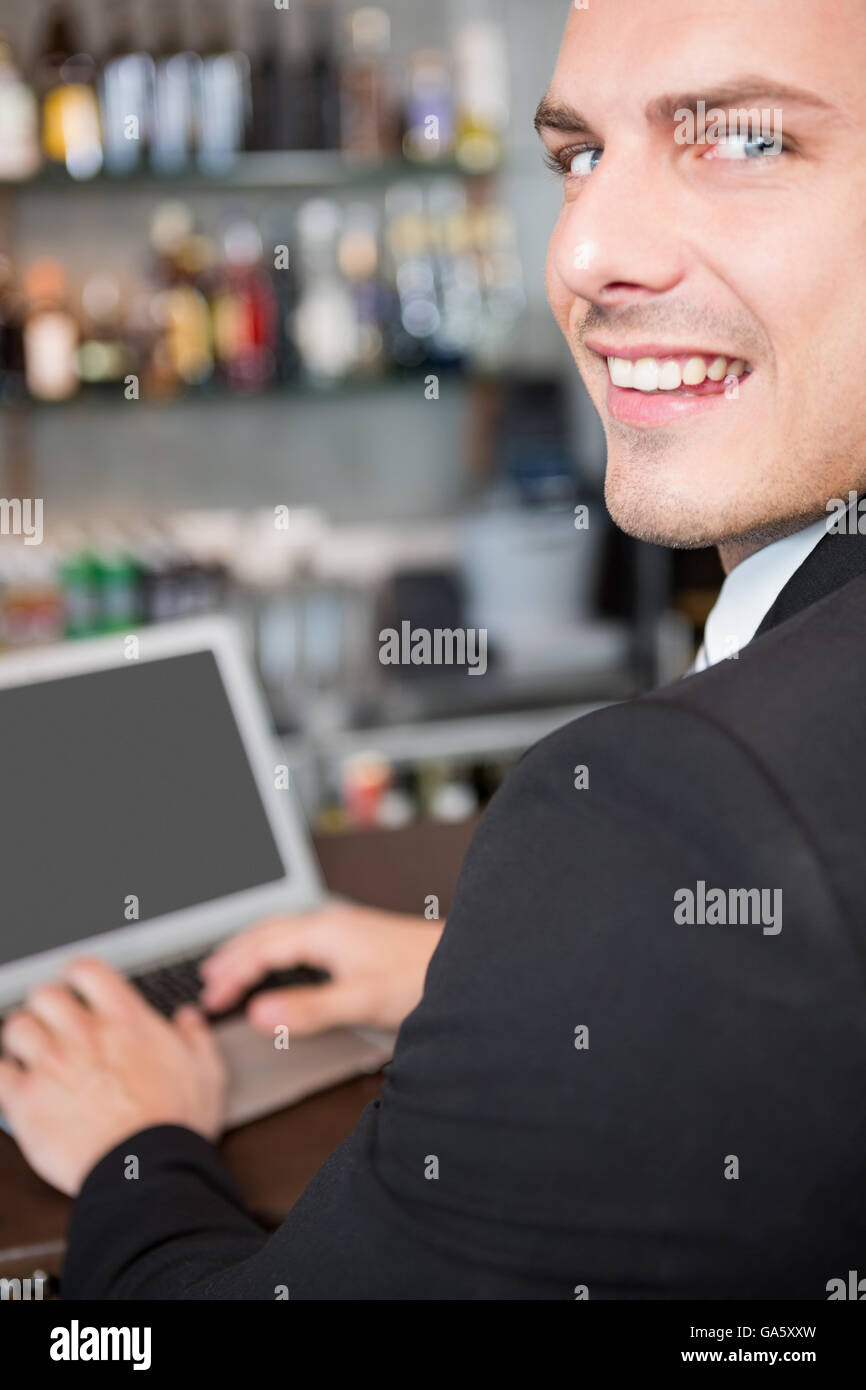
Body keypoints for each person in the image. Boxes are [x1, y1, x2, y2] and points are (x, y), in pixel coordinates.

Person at [3, 0, 866, 1299]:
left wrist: (138, 1141)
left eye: (743, 142)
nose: (583, 252)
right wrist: (531, 987)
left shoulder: (678, 805)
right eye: (576, 155)